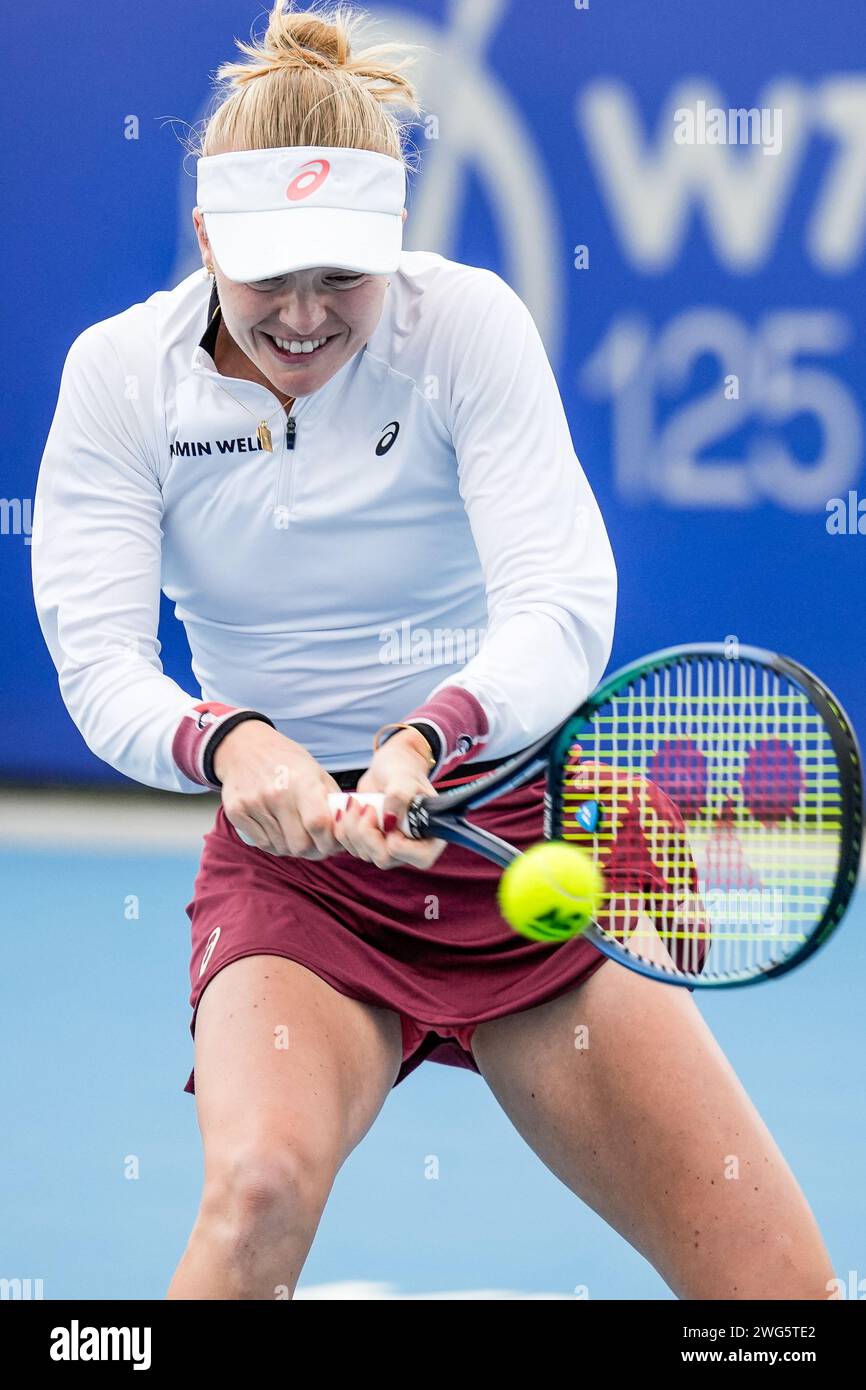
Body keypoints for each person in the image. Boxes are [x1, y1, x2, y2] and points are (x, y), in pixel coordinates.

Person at [31, 1, 834, 1300]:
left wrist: (427, 736)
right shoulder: (120, 377)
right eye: (265, 275)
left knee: (778, 1305)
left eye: (340, 276)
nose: (301, 315)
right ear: (201, 239)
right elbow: (100, 658)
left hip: (516, 836)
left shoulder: (463, 327)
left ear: (394, 244)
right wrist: (229, 740)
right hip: (298, 883)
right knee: (256, 1194)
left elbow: (562, 596)